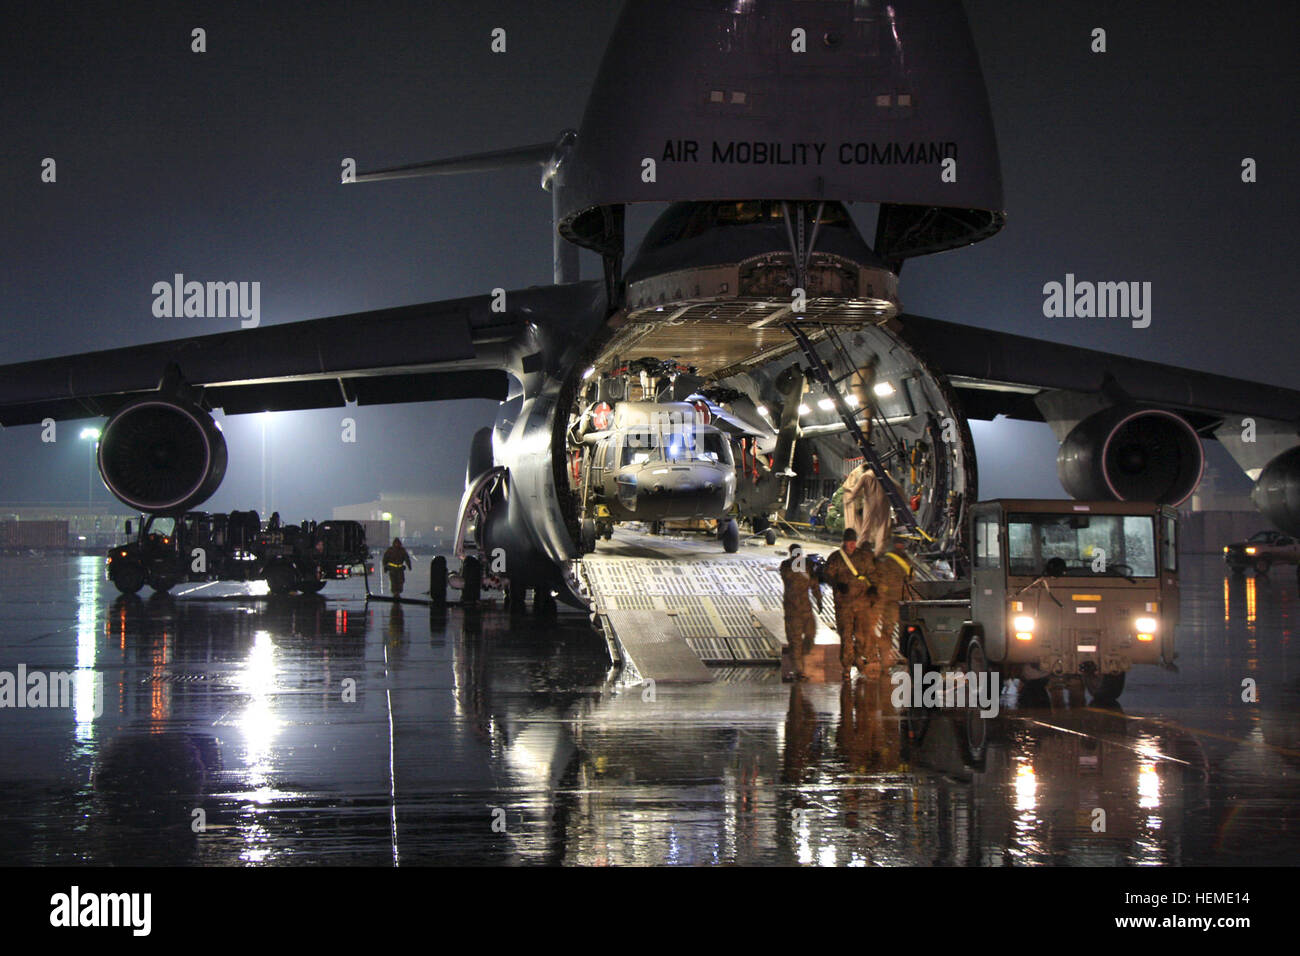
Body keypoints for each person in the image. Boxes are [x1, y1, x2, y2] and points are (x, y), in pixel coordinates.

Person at [821, 528, 877, 679]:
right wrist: (837, 584)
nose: (852, 545)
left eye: (854, 542)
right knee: (846, 636)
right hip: (844, 605)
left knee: (861, 635)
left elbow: (871, 573)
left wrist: (873, 589)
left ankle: (858, 660)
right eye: (849, 542)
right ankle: (846, 667)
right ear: (844, 542)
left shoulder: (862, 557)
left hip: (861, 603)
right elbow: (826, 574)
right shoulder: (836, 558)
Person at [779, 543, 824, 681]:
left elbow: (814, 583)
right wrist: (796, 564)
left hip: (806, 607)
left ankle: (799, 656)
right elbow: (787, 577)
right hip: (792, 609)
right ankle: (799, 670)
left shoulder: (808, 565)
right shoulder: (786, 565)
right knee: (795, 639)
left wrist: (819, 600)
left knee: (811, 634)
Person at [872, 537, 912, 667]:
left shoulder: (906, 560)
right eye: (899, 544)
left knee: (905, 632)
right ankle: (885, 658)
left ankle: (903, 657)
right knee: (888, 631)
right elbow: (881, 584)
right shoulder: (887, 561)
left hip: (904, 602)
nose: (901, 546)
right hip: (892, 602)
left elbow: (912, 581)